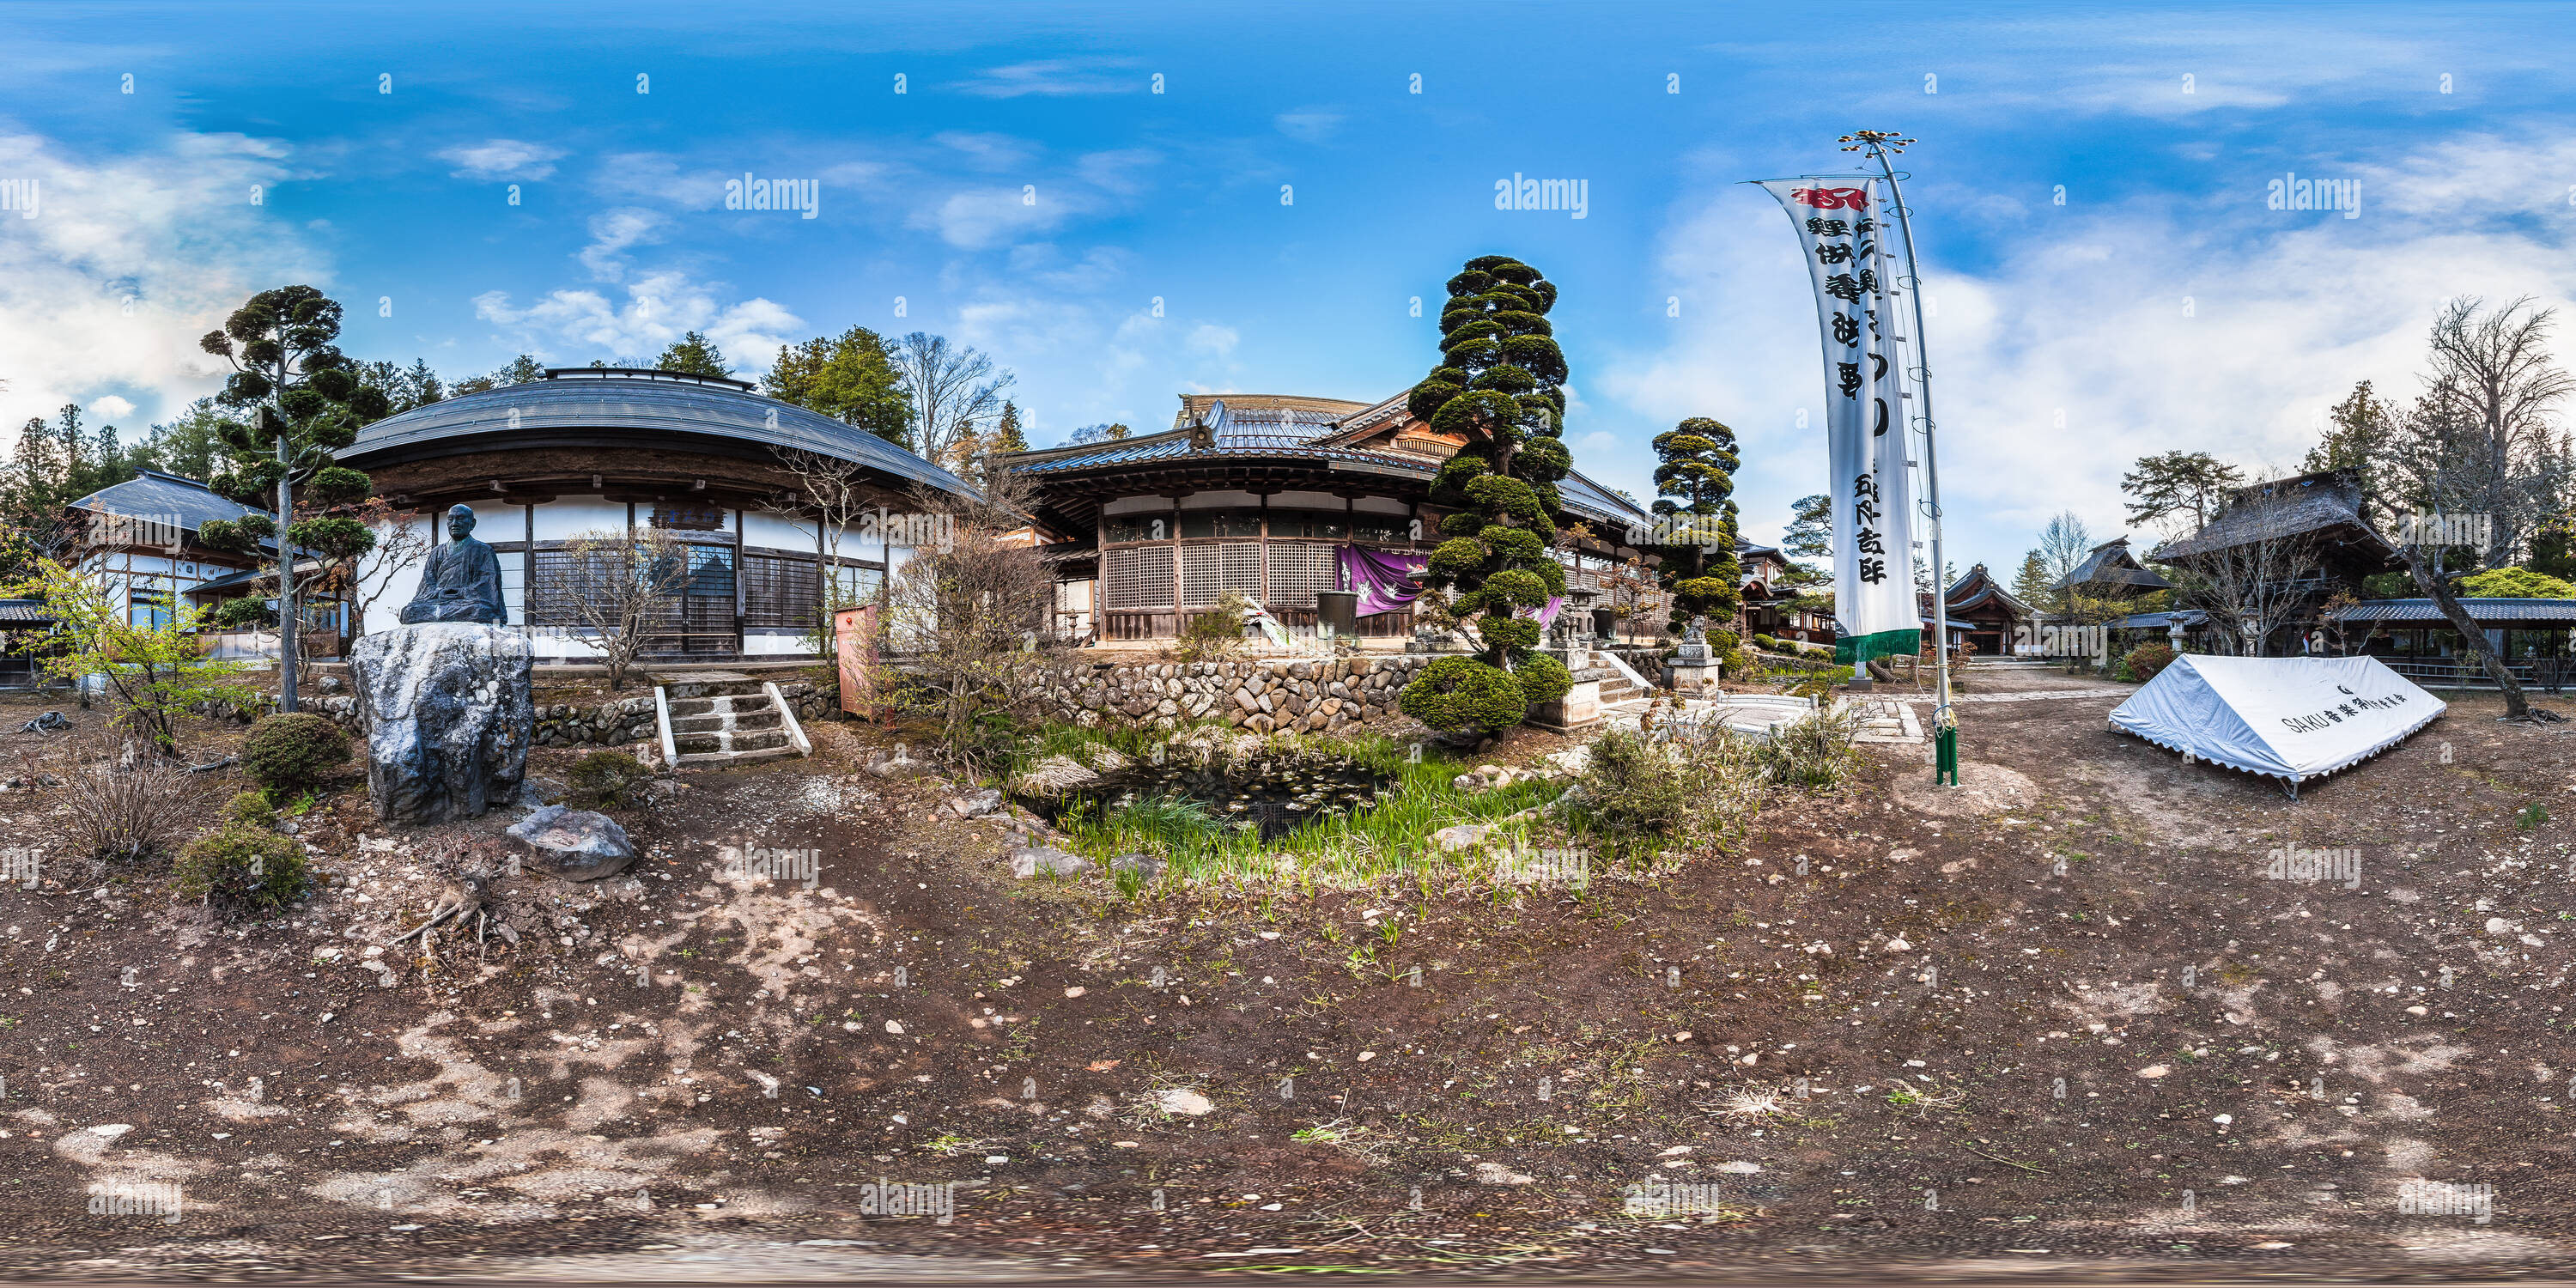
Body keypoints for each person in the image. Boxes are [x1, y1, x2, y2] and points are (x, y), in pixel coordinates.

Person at [399, 505, 508, 626]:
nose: (455, 523)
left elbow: (488, 585)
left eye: (461, 519)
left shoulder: (483, 550)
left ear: (472, 524)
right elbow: (426, 585)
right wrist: (440, 593)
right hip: (438, 603)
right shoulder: (437, 552)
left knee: (479, 610)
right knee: (410, 611)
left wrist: (461, 593)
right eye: (451, 519)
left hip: (467, 603)